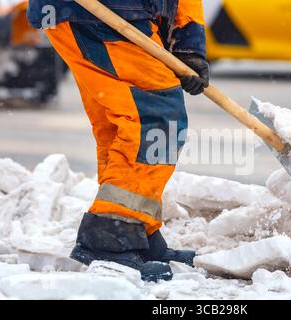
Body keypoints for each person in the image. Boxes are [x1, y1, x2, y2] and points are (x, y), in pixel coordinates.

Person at [27, 0, 210, 282]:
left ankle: (131, 226)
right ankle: (112, 234)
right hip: (97, 12)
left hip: (118, 14)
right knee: (157, 119)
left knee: (122, 122)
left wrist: (189, 45)